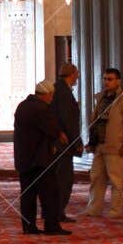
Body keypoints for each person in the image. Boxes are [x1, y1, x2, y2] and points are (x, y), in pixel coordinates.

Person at [13, 79, 70, 235]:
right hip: (41, 160)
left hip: (24, 159)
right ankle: (52, 226)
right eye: (51, 95)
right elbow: (53, 130)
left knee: (27, 195)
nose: (52, 98)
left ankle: (28, 227)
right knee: (49, 195)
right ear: (47, 94)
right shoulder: (42, 109)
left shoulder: (22, 106)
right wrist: (61, 134)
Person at [84, 67, 123, 218]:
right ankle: (93, 209)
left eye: (110, 79)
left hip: (115, 146)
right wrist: (91, 141)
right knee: (96, 179)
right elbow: (95, 122)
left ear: (118, 81)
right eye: (105, 79)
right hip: (99, 146)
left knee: (115, 181)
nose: (106, 82)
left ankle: (115, 211)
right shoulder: (100, 98)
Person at [52, 63, 83, 221]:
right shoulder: (64, 92)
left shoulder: (57, 89)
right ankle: (58, 213)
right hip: (63, 144)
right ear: (72, 74)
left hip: (57, 142)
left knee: (58, 179)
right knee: (64, 180)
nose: (78, 76)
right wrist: (77, 142)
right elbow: (68, 120)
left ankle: (53, 211)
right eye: (77, 73)